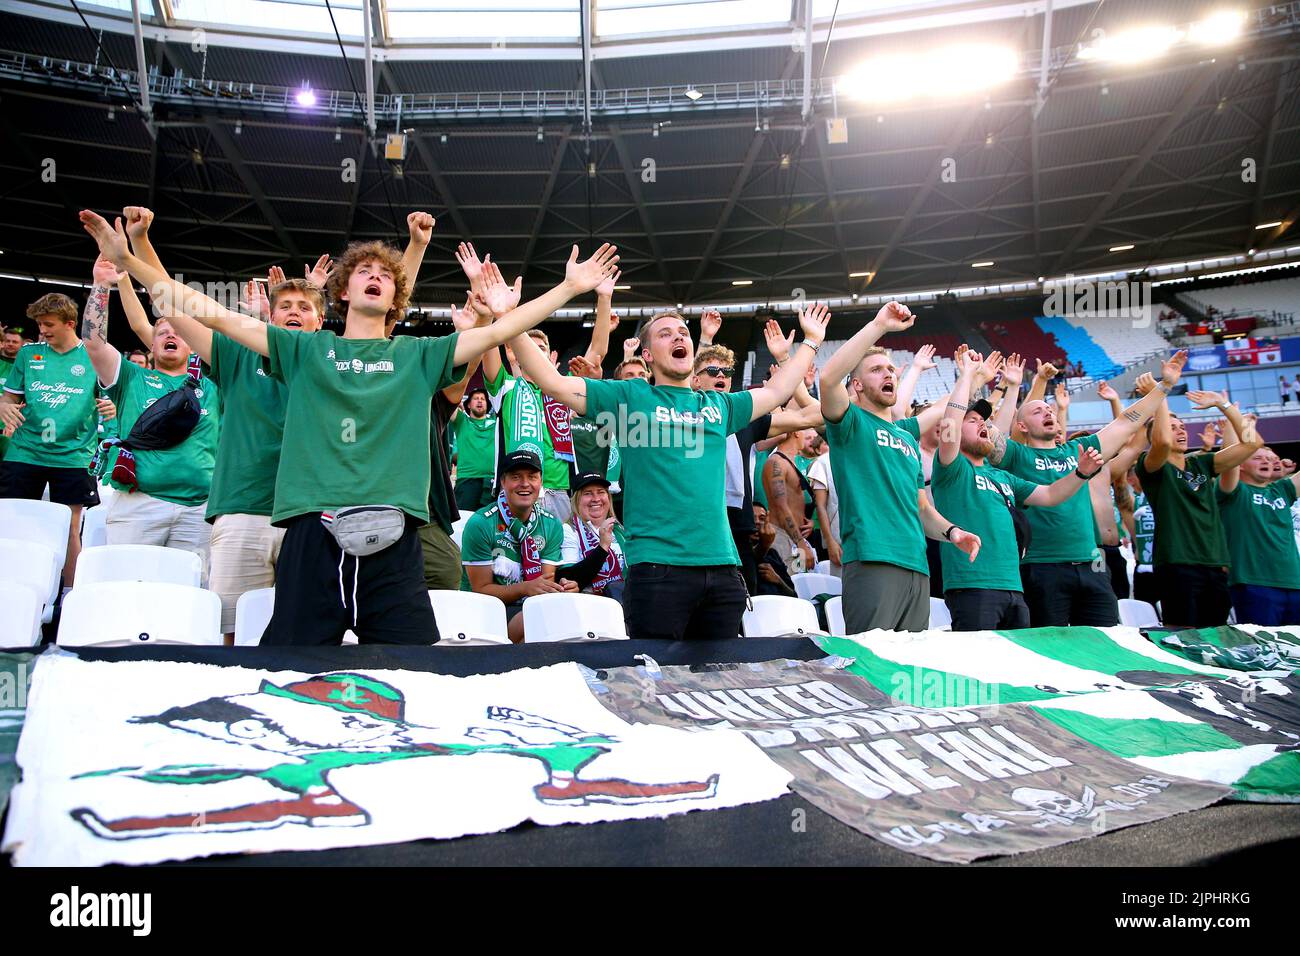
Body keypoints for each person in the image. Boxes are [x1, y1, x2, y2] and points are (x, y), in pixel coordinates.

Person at [81, 207, 618, 646]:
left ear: (396, 297)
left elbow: (506, 327)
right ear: (341, 291)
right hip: (311, 535)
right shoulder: (305, 349)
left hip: (395, 541)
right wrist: (132, 261)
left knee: (414, 676)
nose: (376, 277)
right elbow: (207, 312)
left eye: (386, 274)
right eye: (364, 270)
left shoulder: (419, 356)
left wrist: (570, 289)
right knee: (288, 676)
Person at [508, 299, 831, 640]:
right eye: (665, 334)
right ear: (647, 355)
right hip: (658, 571)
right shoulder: (629, 396)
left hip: (722, 570)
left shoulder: (719, 405)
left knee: (719, 683)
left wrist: (810, 341)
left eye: (682, 332)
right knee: (655, 682)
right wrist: (507, 317)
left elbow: (779, 390)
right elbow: (552, 382)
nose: (678, 337)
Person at [111, 205, 336, 637]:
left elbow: (380, 311)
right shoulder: (235, 355)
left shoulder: (333, 360)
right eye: (284, 305)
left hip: (312, 515)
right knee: (233, 632)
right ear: (269, 317)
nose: (293, 311)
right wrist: (140, 244)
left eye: (305, 306)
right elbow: (175, 306)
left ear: (321, 321)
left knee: (311, 634)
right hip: (241, 511)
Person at [987, 350, 1188, 627]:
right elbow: (992, 437)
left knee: (1105, 642)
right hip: (1041, 567)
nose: (1048, 412)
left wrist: (1164, 387)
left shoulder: (1080, 449)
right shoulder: (1016, 456)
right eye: (1037, 411)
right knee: (1052, 647)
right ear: (1021, 425)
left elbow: (1127, 422)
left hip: (1092, 564)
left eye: (1049, 410)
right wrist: (1010, 387)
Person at [818, 304, 981, 633]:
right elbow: (828, 377)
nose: (889, 373)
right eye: (876, 369)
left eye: (891, 369)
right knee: (871, 668)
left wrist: (952, 532)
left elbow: (921, 507)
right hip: (872, 560)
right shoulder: (849, 423)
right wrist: (879, 325)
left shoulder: (906, 436)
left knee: (911, 669)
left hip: (917, 566)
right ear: (858, 385)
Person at [933, 350, 1106, 630]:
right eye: (973, 421)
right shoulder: (952, 471)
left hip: (1015, 588)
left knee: (1021, 672)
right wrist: (967, 376)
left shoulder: (1003, 477)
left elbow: (1050, 495)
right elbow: (951, 425)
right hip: (973, 587)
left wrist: (1080, 473)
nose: (984, 425)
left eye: (984, 422)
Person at [462, 247, 617, 524]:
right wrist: (483, 295)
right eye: (526, 346)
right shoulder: (506, 388)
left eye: (541, 347)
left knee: (561, 564)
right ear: (512, 351)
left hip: (563, 492)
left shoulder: (562, 390)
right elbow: (486, 341)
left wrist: (604, 298)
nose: (533, 351)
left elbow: (598, 352)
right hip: (519, 491)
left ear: (550, 356)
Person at [694, 317, 822, 592]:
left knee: (742, 602)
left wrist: (790, 363)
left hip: (738, 528)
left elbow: (808, 416)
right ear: (695, 379)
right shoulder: (679, 417)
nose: (721, 376)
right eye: (712, 370)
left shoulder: (744, 420)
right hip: (694, 525)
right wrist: (704, 338)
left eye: (726, 372)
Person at [1138, 387, 1262, 627]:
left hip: (1215, 564)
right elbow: (1162, 442)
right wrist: (1162, 392)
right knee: (1184, 637)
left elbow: (1252, 443)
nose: (1180, 431)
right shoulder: (1152, 467)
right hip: (1177, 564)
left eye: (1182, 427)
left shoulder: (1201, 464)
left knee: (1217, 636)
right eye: (1172, 427)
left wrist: (1223, 405)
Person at [0, 292, 101, 586]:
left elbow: (113, 398)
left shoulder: (93, 355)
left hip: (73, 455)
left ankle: (69, 595)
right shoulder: (28, 354)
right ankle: (13, 586)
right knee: (13, 523)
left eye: (48, 324)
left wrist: (110, 406)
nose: (42, 330)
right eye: (39, 325)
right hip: (25, 452)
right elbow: (8, 399)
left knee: (70, 528)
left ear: (70, 323)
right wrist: (5, 409)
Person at [461, 450, 574, 642]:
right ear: (503, 482)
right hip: (483, 612)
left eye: (532, 477)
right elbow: (481, 590)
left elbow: (542, 584)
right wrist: (526, 588)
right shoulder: (480, 523)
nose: (525, 484)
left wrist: (561, 588)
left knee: (563, 615)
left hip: (528, 609)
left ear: (541, 482)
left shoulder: (551, 524)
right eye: (516, 477)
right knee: (534, 621)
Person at [1217, 442, 1300, 624]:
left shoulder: (1281, 490)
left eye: (1270, 459)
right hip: (1253, 583)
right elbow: (1228, 460)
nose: (1267, 462)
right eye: (1258, 458)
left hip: (1295, 582)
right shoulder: (1235, 492)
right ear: (1240, 464)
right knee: (1265, 649)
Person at [559, 471, 627, 602]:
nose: (596, 498)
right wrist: (603, 547)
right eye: (588, 493)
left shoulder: (621, 531)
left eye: (601, 492)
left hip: (624, 604)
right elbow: (568, 578)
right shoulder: (568, 530)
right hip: (589, 605)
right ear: (576, 498)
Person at [762, 428, 819, 575]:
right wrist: (800, 543)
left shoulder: (789, 463)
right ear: (796, 432)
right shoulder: (777, 463)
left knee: (799, 589)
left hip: (795, 540)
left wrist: (809, 523)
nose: (811, 439)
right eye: (806, 432)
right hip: (783, 539)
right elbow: (780, 507)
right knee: (789, 586)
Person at [451, 386, 497, 512]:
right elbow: (447, 402)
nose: (480, 400)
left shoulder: (496, 422)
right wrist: (455, 401)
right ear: (469, 405)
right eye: (476, 398)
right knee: (463, 525)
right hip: (467, 480)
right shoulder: (461, 420)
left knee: (489, 527)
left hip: (492, 482)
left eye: (483, 399)